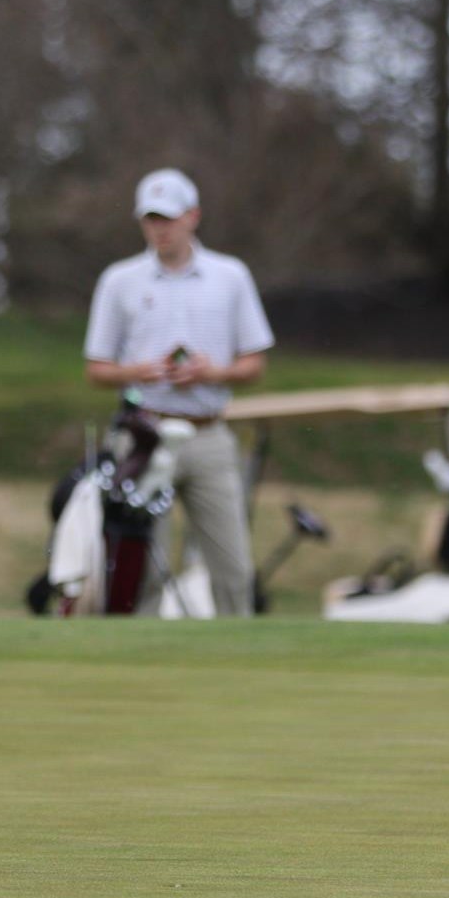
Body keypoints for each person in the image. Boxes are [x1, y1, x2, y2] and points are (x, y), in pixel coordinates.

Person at [82, 167, 274, 616]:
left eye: (167, 218)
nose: (158, 228)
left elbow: (255, 363)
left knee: (233, 564)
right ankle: (146, 668)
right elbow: (97, 369)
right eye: (150, 219)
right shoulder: (120, 280)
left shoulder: (231, 276)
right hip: (144, 436)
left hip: (209, 434)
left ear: (193, 216)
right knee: (142, 563)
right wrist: (141, 372)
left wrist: (214, 372)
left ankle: (241, 654)